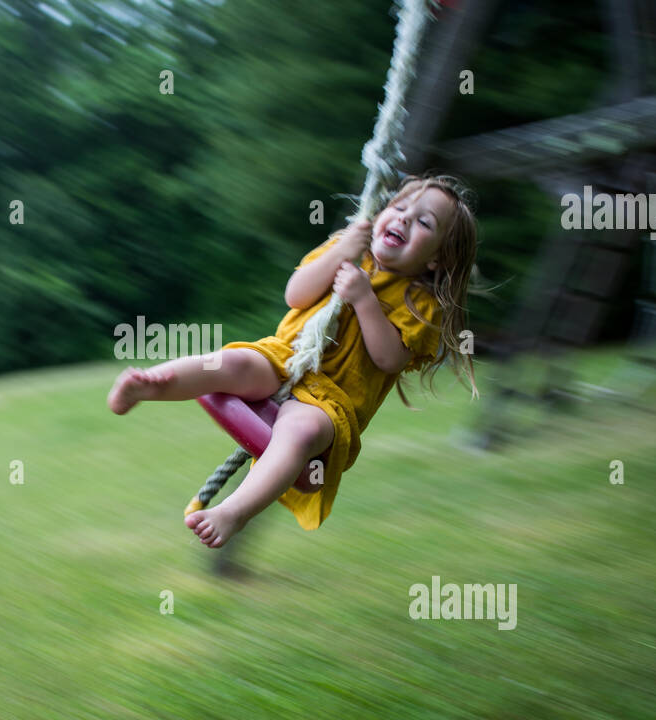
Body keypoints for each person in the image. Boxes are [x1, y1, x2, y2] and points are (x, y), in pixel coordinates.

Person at [107, 174, 480, 548]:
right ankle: (149, 386)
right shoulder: (347, 248)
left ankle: (233, 512)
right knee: (228, 363)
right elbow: (296, 294)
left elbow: (389, 359)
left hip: (333, 400)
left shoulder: (421, 302)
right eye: (399, 207)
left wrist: (365, 299)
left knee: (298, 433)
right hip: (286, 358)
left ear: (436, 258)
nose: (403, 219)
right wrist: (340, 251)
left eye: (424, 222)